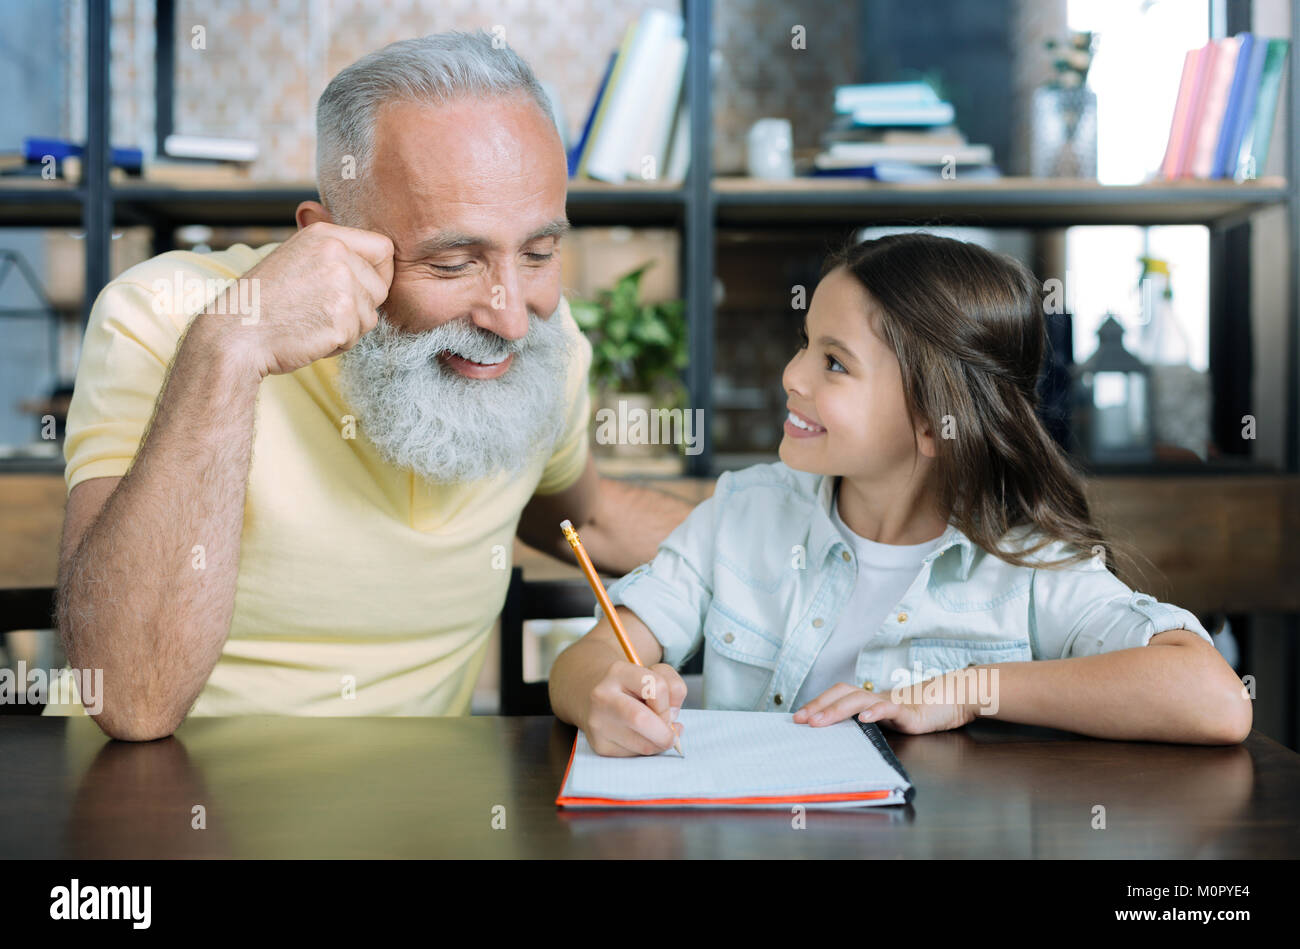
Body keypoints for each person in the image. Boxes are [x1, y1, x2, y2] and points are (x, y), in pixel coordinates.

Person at [50, 31, 691, 740]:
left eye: (539, 252)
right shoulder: (164, 316)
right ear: (325, 241)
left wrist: (808, 527)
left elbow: (587, 518)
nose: (510, 316)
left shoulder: (545, 344)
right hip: (157, 818)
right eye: (453, 263)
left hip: (416, 818)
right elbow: (133, 700)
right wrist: (233, 347)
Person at [549, 232, 1253, 755]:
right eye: (804, 343)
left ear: (933, 422)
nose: (793, 374)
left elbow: (1215, 699)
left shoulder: (1026, 563)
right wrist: (604, 694)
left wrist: (966, 689)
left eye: (834, 362)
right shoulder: (745, 512)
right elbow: (585, 662)